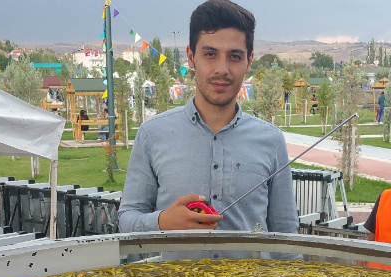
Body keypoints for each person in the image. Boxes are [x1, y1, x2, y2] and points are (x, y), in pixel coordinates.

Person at [118, 0, 297, 234]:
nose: (222, 68)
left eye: (234, 56)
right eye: (210, 54)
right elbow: (126, 219)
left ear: (249, 62)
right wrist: (162, 222)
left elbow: (287, 234)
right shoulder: (152, 135)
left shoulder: (271, 141)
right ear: (191, 58)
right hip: (173, 272)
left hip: (249, 272)